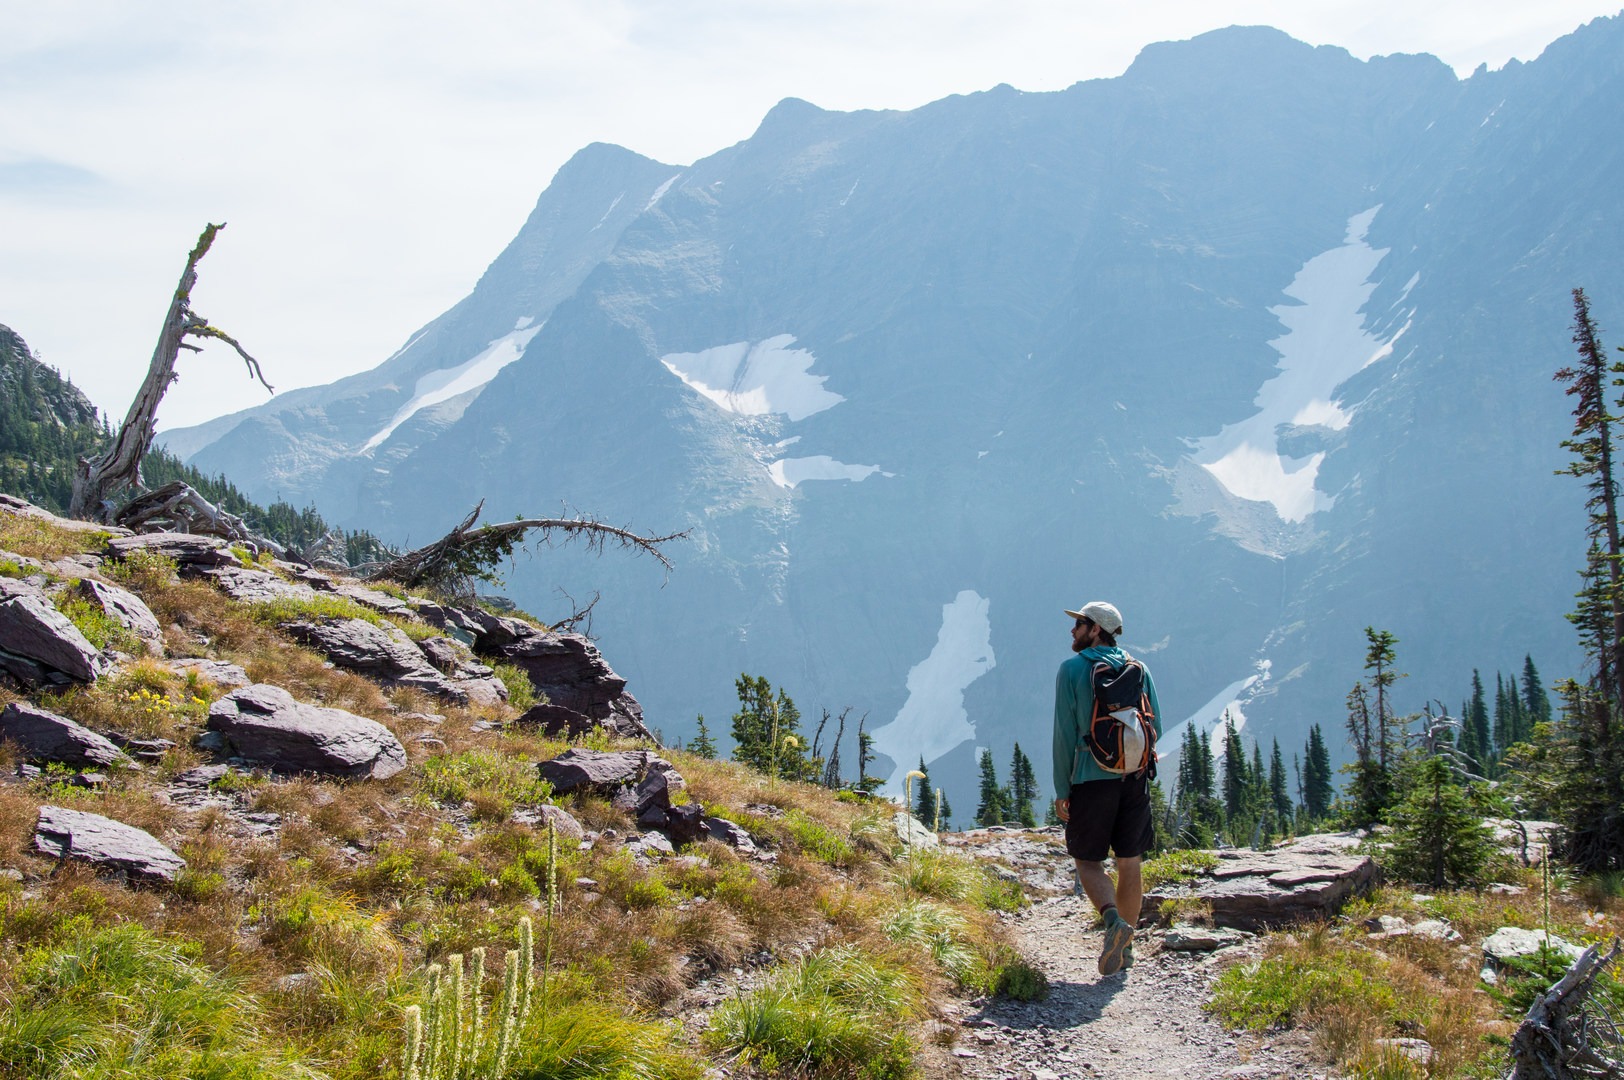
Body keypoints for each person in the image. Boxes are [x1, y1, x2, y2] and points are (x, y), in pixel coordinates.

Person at [1051, 600, 1162, 976]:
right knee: (1130, 863)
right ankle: (1126, 951)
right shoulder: (1139, 668)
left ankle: (1114, 922)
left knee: (1088, 860)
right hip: (1133, 778)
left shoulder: (1071, 670)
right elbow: (1155, 724)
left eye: (1079, 624)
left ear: (1096, 629)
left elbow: (1064, 734)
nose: (1073, 630)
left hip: (1090, 776)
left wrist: (1061, 787)